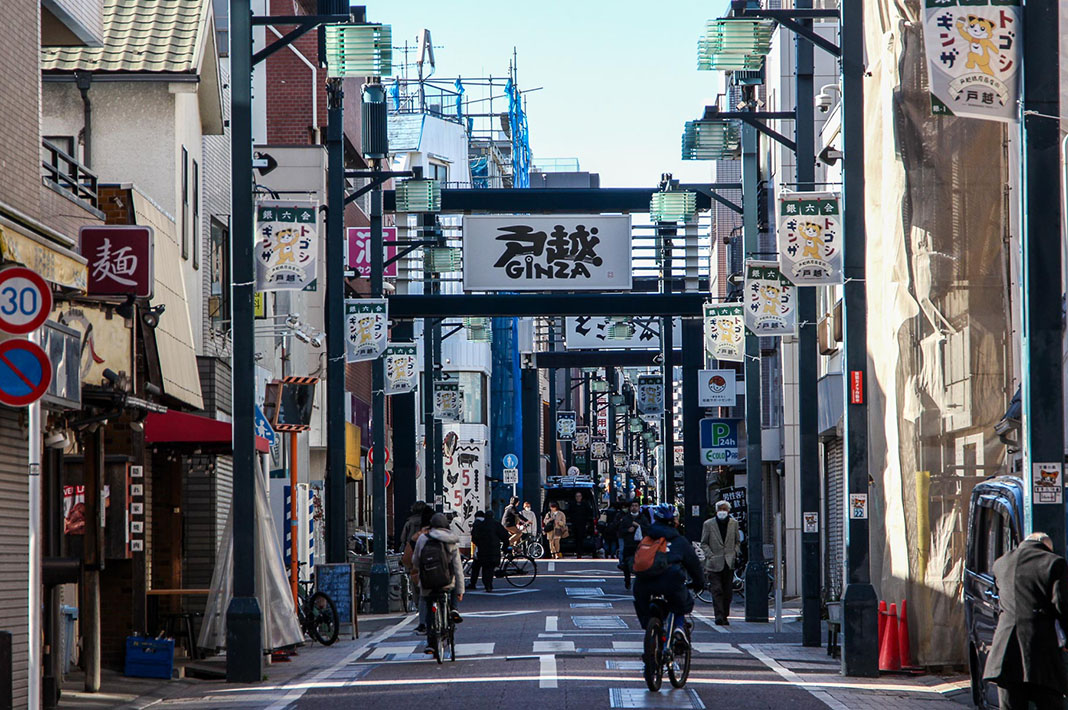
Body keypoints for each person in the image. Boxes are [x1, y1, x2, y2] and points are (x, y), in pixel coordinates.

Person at [983, 532, 1068, 709]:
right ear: (1047, 546)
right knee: (1051, 702)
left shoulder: (1001, 563)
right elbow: (1062, 606)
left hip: (1005, 653)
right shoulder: (1054, 563)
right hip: (1041, 652)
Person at [631, 503, 704, 649]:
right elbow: (694, 565)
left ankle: (651, 630)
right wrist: (699, 583)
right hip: (671, 580)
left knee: (643, 605)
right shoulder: (680, 541)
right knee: (681, 603)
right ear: (675, 522)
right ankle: (678, 627)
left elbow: (636, 560)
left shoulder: (647, 539)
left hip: (644, 583)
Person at [413, 512, 465, 650]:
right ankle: (453, 609)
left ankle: (427, 634)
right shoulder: (451, 539)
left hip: (428, 582)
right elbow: (457, 568)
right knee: (453, 584)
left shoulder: (423, 538)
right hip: (446, 582)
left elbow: (416, 561)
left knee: (427, 600)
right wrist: (460, 590)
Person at [700, 500, 741, 625]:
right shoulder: (708, 524)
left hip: (729, 562)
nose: (722, 511)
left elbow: (737, 541)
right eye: (720, 509)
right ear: (716, 511)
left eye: (724, 509)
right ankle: (719, 615)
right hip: (713, 563)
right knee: (716, 590)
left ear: (728, 511)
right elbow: (704, 543)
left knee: (727, 591)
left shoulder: (734, 523)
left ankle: (725, 615)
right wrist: (710, 555)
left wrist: (735, 552)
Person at [401, 506, 434, 634]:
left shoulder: (417, 536)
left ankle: (422, 623)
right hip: (441, 573)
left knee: (422, 596)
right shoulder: (443, 535)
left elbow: (408, 557)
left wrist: (413, 567)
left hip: (422, 572)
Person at [469, 510, 509, 592]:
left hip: (483, 550)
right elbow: (504, 535)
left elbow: (474, 537)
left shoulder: (481, 525)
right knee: (490, 568)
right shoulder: (496, 524)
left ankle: (487, 584)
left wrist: (479, 544)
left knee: (485, 567)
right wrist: (505, 547)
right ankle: (488, 584)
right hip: (494, 550)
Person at [617, 499, 642, 590]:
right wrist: (627, 530)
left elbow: (648, 529)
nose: (634, 507)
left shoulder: (642, 518)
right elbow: (620, 530)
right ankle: (627, 580)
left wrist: (639, 526)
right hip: (628, 544)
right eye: (632, 506)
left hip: (640, 545)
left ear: (639, 507)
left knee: (640, 564)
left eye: (636, 506)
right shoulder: (626, 518)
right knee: (626, 564)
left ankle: (639, 581)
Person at [569, 491, 591, 558]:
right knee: (575, 538)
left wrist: (587, 523)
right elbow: (570, 514)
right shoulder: (572, 505)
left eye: (579, 496)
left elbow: (589, 513)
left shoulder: (585, 505)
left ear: (581, 497)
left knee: (581, 538)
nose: (578, 498)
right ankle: (576, 551)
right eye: (577, 496)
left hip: (582, 524)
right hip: (574, 524)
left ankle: (580, 552)